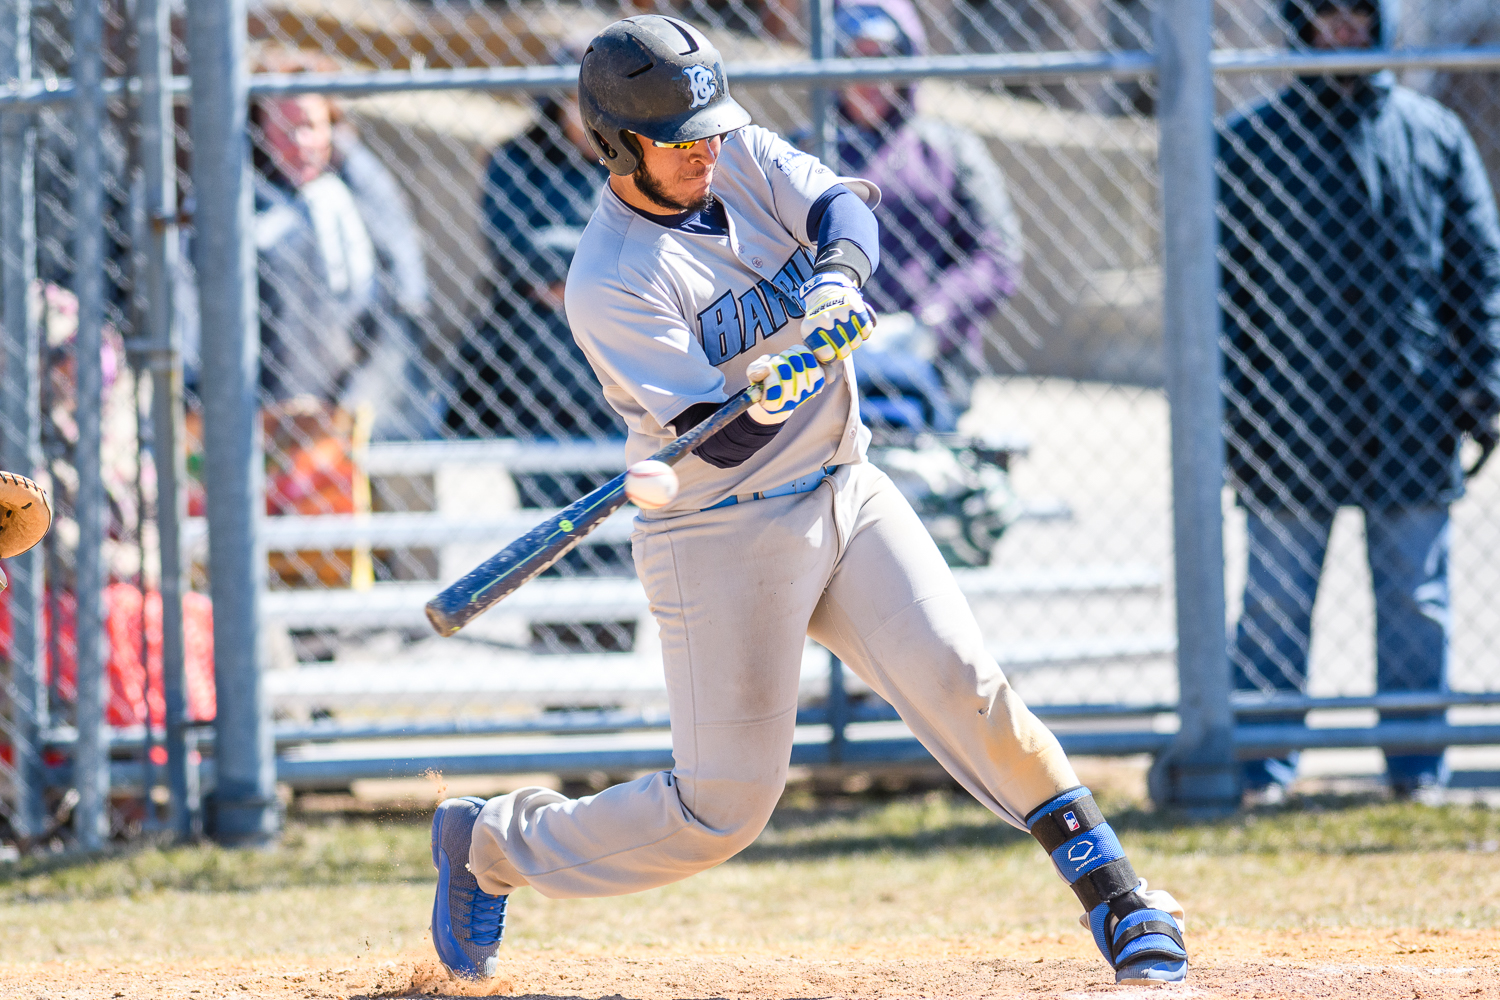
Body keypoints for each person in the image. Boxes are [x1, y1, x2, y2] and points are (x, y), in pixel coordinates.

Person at [426, 15, 1188, 986]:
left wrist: (834, 286)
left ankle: (1121, 902)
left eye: (710, 132)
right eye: (680, 143)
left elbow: (843, 211)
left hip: (843, 484)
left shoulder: (733, 149)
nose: (706, 151)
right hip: (721, 531)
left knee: (969, 684)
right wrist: (768, 392)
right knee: (721, 811)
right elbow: (724, 431)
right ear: (618, 147)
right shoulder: (610, 278)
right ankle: (491, 843)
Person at [1220, 0, 1500, 800]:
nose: (1340, 30)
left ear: (1380, 24)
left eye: (1355, 15)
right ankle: (1258, 773)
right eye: (1323, 16)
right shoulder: (1249, 144)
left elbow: (1478, 270)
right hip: (1285, 422)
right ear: (1297, 26)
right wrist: (1232, 417)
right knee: (1275, 601)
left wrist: (1484, 385)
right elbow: (1220, 301)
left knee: (1418, 598)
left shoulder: (1432, 135)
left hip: (1411, 411)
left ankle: (1418, 773)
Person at [822, 0, 1022, 387]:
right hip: (824, 362)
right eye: (854, 57)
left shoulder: (948, 150)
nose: (868, 77)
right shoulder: (805, 152)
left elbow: (995, 255)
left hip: (928, 367)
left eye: (883, 59)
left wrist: (929, 322)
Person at [248, 50, 435, 442]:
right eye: (281, 128)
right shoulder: (244, 198)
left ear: (333, 125)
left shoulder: (362, 186)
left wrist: (353, 402)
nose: (299, 143)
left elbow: (406, 296)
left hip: (362, 402)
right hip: (267, 408)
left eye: (310, 126)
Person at [447, 87, 626, 441]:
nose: (600, 121)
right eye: (586, 106)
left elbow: (652, 245)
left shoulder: (630, 163)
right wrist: (606, 267)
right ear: (560, 104)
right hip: (530, 353)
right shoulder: (516, 158)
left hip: (613, 347)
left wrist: (574, 273)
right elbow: (517, 251)